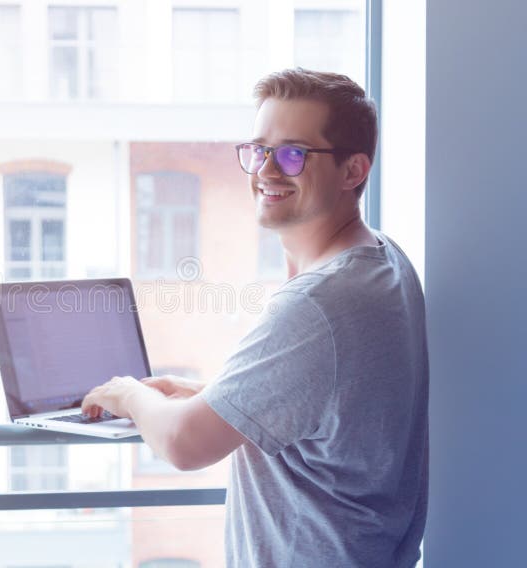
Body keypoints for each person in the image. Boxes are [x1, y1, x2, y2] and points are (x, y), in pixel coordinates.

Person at [82, 68, 428, 567]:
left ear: (353, 171)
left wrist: (129, 394)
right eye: (258, 150)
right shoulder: (384, 258)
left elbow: (184, 444)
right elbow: (332, 416)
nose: (265, 170)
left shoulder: (319, 304)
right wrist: (214, 399)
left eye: (292, 154)